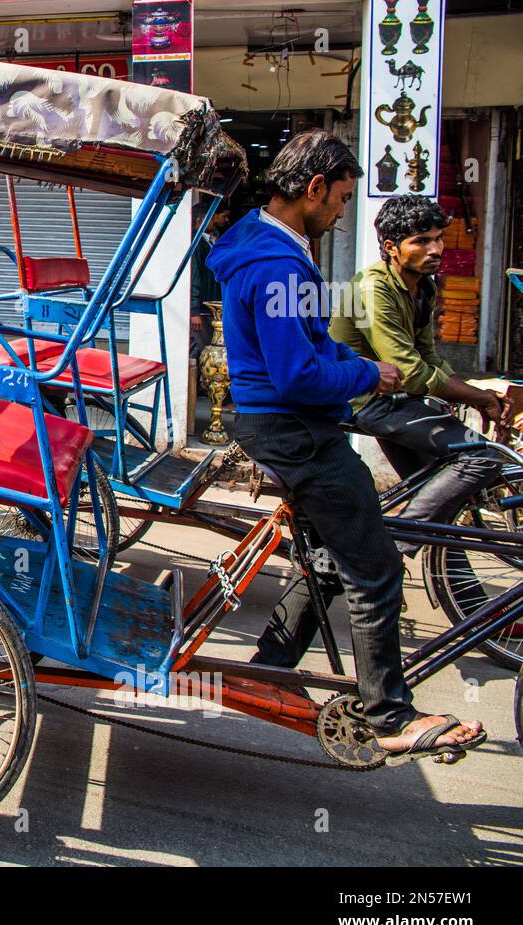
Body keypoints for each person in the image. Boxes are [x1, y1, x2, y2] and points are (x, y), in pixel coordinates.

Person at [207, 129, 486, 763]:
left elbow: (314, 346)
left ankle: (270, 664)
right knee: (378, 568)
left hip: (286, 423)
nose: (341, 212)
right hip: (292, 430)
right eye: (339, 199)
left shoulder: (266, 241)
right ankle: (392, 714)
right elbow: (298, 375)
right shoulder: (277, 262)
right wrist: (369, 373)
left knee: (331, 559)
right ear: (312, 189)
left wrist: (357, 367)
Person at [333, 195, 508, 552]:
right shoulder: (371, 289)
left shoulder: (422, 287)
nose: (436, 249)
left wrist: (470, 390)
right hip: (367, 400)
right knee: (484, 456)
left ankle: (465, 600)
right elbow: (411, 372)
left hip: (396, 400)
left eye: (439, 238)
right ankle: (387, 550)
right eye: (422, 241)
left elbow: (428, 356)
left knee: (445, 509)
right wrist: (477, 397)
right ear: (391, 247)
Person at [189, 200, 231, 360]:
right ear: (200, 219)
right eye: (211, 217)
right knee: (200, 350)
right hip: (202, 308)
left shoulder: (212, 241)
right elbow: (194, 277)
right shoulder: (196, 244)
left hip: (210, 307)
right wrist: (194, 311)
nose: (215, 221)